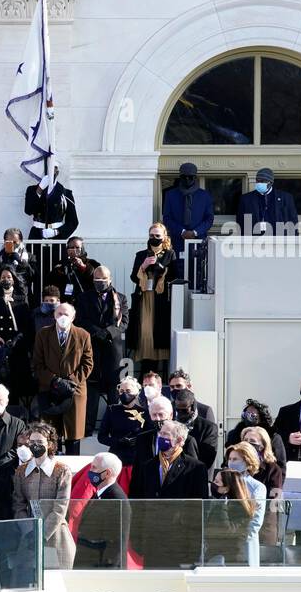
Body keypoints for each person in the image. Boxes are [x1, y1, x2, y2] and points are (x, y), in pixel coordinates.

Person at [129, 419, 207, 569]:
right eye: (160, 433)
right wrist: (136, 538)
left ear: (179, 440)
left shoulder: (195, 468)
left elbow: (198, 509)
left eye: (165, 434)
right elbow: (137, 500)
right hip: (152, 540)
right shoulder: (149, 466)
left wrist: (194, 544)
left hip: (180, 541)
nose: (160, 436)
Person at [31, 300, 93, 455]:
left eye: (66, 314)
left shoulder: (83, 335)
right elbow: (37, 363)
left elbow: (88, 363)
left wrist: (71, 381)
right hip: (49, 389)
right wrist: (54, 381)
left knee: (73, 435)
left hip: (74, 390)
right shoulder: (43, 334)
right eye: (59, 313)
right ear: (54, 315)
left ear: (73, 317)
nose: (62, 316)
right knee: (51, 434)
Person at [10, 423, 74, 568]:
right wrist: (28, 531)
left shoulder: (62, 470)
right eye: (32, 442)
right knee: (27, 578)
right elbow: (18, 503)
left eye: (40, 442)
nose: (35, 446)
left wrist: (42, 534)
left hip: (55, 534)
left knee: (56, 580)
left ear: (50, 444)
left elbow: (61, 507)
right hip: (29, 536)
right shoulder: (21, 471)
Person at [76, 263, 128, 435]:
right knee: (92, 390)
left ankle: (115, 428)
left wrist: (107, 332)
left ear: (110, 279)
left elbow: (124, 323)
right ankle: (88, 427)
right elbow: (81, 320)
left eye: (103, 279)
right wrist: (96, 332)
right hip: (92, 348)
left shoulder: (120, 298)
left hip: (113, 350)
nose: (100, 282)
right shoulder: (84, 297)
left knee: (114, 390)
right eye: (97, 279)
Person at [127, 224, 175, 377]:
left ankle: (155, 377)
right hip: (144, 298)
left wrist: (159, 266)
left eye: (157, 236)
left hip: (160, 300)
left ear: (164, 237)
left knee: (158, 335)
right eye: (151, 235)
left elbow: (174, 276)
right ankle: (144, 375)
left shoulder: (170, 254)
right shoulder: (141, 254)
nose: (154, 239)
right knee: (144, 334)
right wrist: (144, 265)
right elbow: (134, 277)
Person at [0, 264, 35, 405]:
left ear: (14, 279)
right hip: (0, 348)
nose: (6, 280)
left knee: (18, 385)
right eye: (3, 277)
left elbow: (27, 325)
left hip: (18, 347)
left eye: (9, 277)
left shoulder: (21, 297)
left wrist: (18, 339)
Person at [74, 452, 128, 569]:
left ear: (107, 473)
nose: (90, 471)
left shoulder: (117, 499)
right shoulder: (99, 493)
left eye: (94, 467)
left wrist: (107, 570)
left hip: (100, 567)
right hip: (87, 561)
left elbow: (117, 541)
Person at [202, 468, 262, 567]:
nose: (213, 484)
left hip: (232, 561)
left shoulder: (241, 508)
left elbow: (227, 530)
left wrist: (222, 506)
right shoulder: (217, 503)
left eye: (217, 481)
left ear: (227, 488)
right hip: (213, 555)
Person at [160, 162, 214, 258]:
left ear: (195, 177)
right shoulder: (170, 195)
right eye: (184, 177)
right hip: (177, 241)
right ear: (180, 177)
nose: (187, 179)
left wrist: (195, 232)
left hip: (199, 241)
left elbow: (209, 219)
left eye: (191, 177)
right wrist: (182, 231)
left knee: (198, 270)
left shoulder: (204, 196)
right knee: (178, 270)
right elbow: (167, 218)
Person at [23, 168, 79, 255]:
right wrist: (39, 189)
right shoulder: (32, 190)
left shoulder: (65, 193)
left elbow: (73, 222)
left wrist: (57, 231)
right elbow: (28, 210)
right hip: (37, 234)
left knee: (57, 266)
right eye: (49, 168)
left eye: (55, 168)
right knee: (34, 265)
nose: (51, 171)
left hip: (57, 237)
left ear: (58, 172)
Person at [223, 398, 287, 469]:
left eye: (252, 415)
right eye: (246, 414)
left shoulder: (272, 436)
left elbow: (281, 465)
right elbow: (226, 461)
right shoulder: (235, 435)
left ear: (261, 417)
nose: (248, 417)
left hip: (264, 476)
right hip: (238, 476)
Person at [96, 377, 146, 467]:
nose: (124, 394)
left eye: (128, 391)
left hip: (137, 460)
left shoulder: (144, 412)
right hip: (116, 459)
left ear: (137, 393)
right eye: (121, 391)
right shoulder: (111, 410)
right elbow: (101, 437)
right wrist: (118, 442)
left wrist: (139, 441)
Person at [235, 167, 298, 236]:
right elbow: (240, 223)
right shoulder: (246, 199)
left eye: (262, 181)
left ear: (270, 182)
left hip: (279, 240)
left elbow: (293, 221)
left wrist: (294, 242)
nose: (259, 183)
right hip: (254, 241)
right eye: (257, 180)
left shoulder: (286, 198)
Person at [0, 228, 38, 308]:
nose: (13, 245)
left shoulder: (30, 257)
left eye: (15, 242)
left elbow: (34, 277)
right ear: (4, 242)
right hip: (1, 297)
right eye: (9, 242)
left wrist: (21, 262)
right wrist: (4, 263)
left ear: (21, 241)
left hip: (23, 298)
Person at [171, 388, 218, 469]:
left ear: (193, 406)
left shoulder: (208, 428)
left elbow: (207, 460)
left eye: (184, 410)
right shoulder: (171, 425)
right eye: (178, 410)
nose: (180, 414)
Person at [44, 236, 98, 304]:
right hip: (66, 303)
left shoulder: (92, 263)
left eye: (77, 248)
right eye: (71, 248)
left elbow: (96, 279)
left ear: (82, 249)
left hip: (86, 303)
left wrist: (83, 267)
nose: (74, 250)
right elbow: (51, 282)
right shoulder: (61, 264)